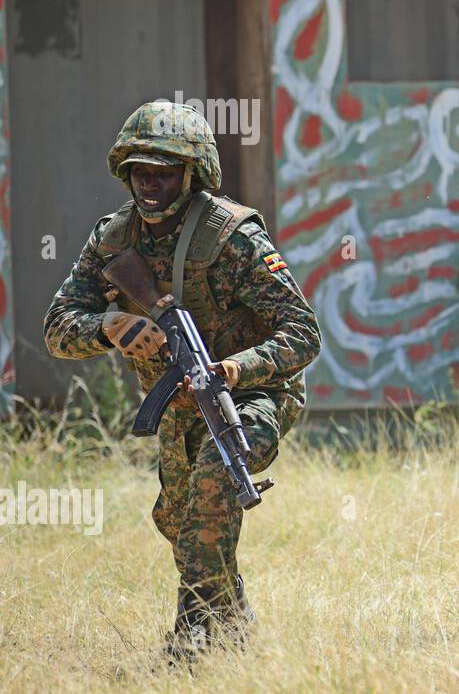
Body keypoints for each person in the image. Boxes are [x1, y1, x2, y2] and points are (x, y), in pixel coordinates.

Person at [43, 99, 321, 662]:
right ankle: (234, 623)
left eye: (164, 173)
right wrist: (111, 326)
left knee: (214, 488)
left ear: (193, 175)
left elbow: (304, 333)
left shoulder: (232, 237)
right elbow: (57, 329)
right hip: (176, 402)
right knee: (181, 521)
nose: (150, 184)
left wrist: (237, 368)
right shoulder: (113, 240)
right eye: (139, 172)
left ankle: (188, 645)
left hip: (255, 394)